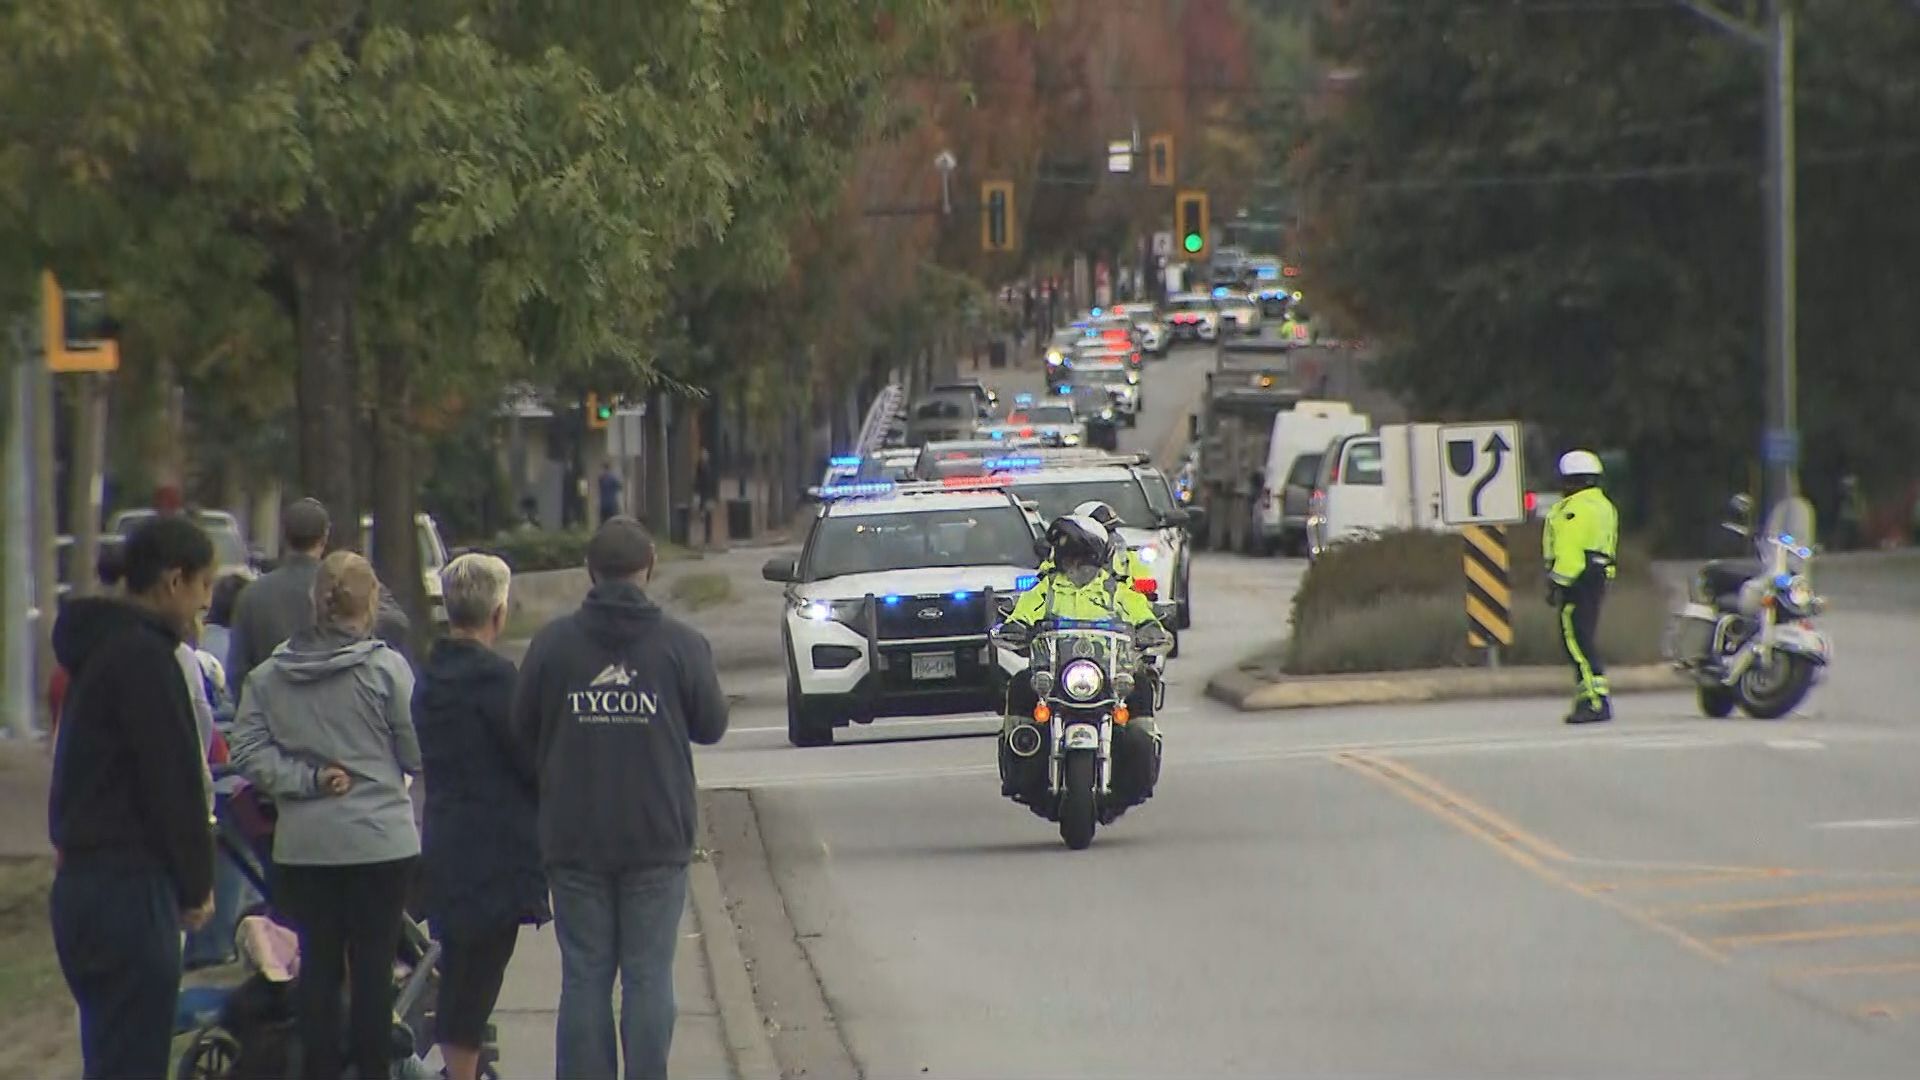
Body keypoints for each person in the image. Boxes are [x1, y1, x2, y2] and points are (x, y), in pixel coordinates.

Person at [513, 517, 728, 1080]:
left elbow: (522, 726)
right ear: (649, 568)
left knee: (584, 973)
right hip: (656, 832)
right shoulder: (681, 645)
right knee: (649, 975)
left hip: (574, 832)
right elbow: (711, 724)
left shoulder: (552, 646)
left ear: (590, 572)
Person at [230, 551, 422, 1080]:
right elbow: (414, 751)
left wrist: (305, 779)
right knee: (373, 970)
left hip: (306, 845)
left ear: (315, 604)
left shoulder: (271, 677)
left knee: (316, 967)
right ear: (372, 604)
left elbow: (244, 749)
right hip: (380, 841)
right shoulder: (386, 670)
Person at [48, 515, 217, 1080]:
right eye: (204, 586)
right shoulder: (145, 660)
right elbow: (173, 781)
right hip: (130, 887)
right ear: (174, 582)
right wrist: (197, 883)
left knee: (111, 1050)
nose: (205, 603)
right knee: (135, 1058)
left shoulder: (96, 651)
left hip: (81, 887)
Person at [415, 553, 549, 1080]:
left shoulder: (429, 678)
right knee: (476, 983)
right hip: (496, 852)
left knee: (461, 973)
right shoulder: (497, 681)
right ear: (499, 612)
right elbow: (529, 760)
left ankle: (458, 1068)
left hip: (447, 841)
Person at [997, 514, 1167, 809]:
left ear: (1097, 556)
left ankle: (1141, 772)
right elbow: (1021, 613)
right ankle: (1019, 765)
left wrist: (1150, 628)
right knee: (1022, 685)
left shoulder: (1115, 591)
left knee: (1140, 688)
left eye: (1082, 557)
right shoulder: (1046, 590)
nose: (1076, 565)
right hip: (1056, 671)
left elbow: (1142, 613)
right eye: (1070, 556)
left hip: (1107, 672)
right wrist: (1016, 626)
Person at [227, 497, 413, 691]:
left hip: (272, 708)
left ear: (284, 536)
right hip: (342, 701)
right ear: (325, 537)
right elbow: (398, 624)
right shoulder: (344, 583)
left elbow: (238, 672)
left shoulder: (252, 596)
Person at [1543, 450, 1620, 725]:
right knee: (1584, 640)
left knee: (1576, 642)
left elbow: (1570, 552)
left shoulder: (1572, 510)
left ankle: (1595, 701)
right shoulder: (1604, 506)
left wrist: (1556, 583)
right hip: (1597, 578)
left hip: (1577, 582)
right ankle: (1589, 697)